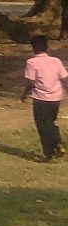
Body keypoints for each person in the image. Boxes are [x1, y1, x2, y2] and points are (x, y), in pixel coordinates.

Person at [23, 34, 65, 162]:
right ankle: (58, 143)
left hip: (41, 98)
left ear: (33, 48)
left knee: (42, 125)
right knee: (50, 122)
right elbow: (64, 78)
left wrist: (24, 94)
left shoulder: (32, 62)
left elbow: (31, 82)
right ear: (47, 47)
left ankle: (49, 153)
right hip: (56, 97)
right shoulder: (56, 61)